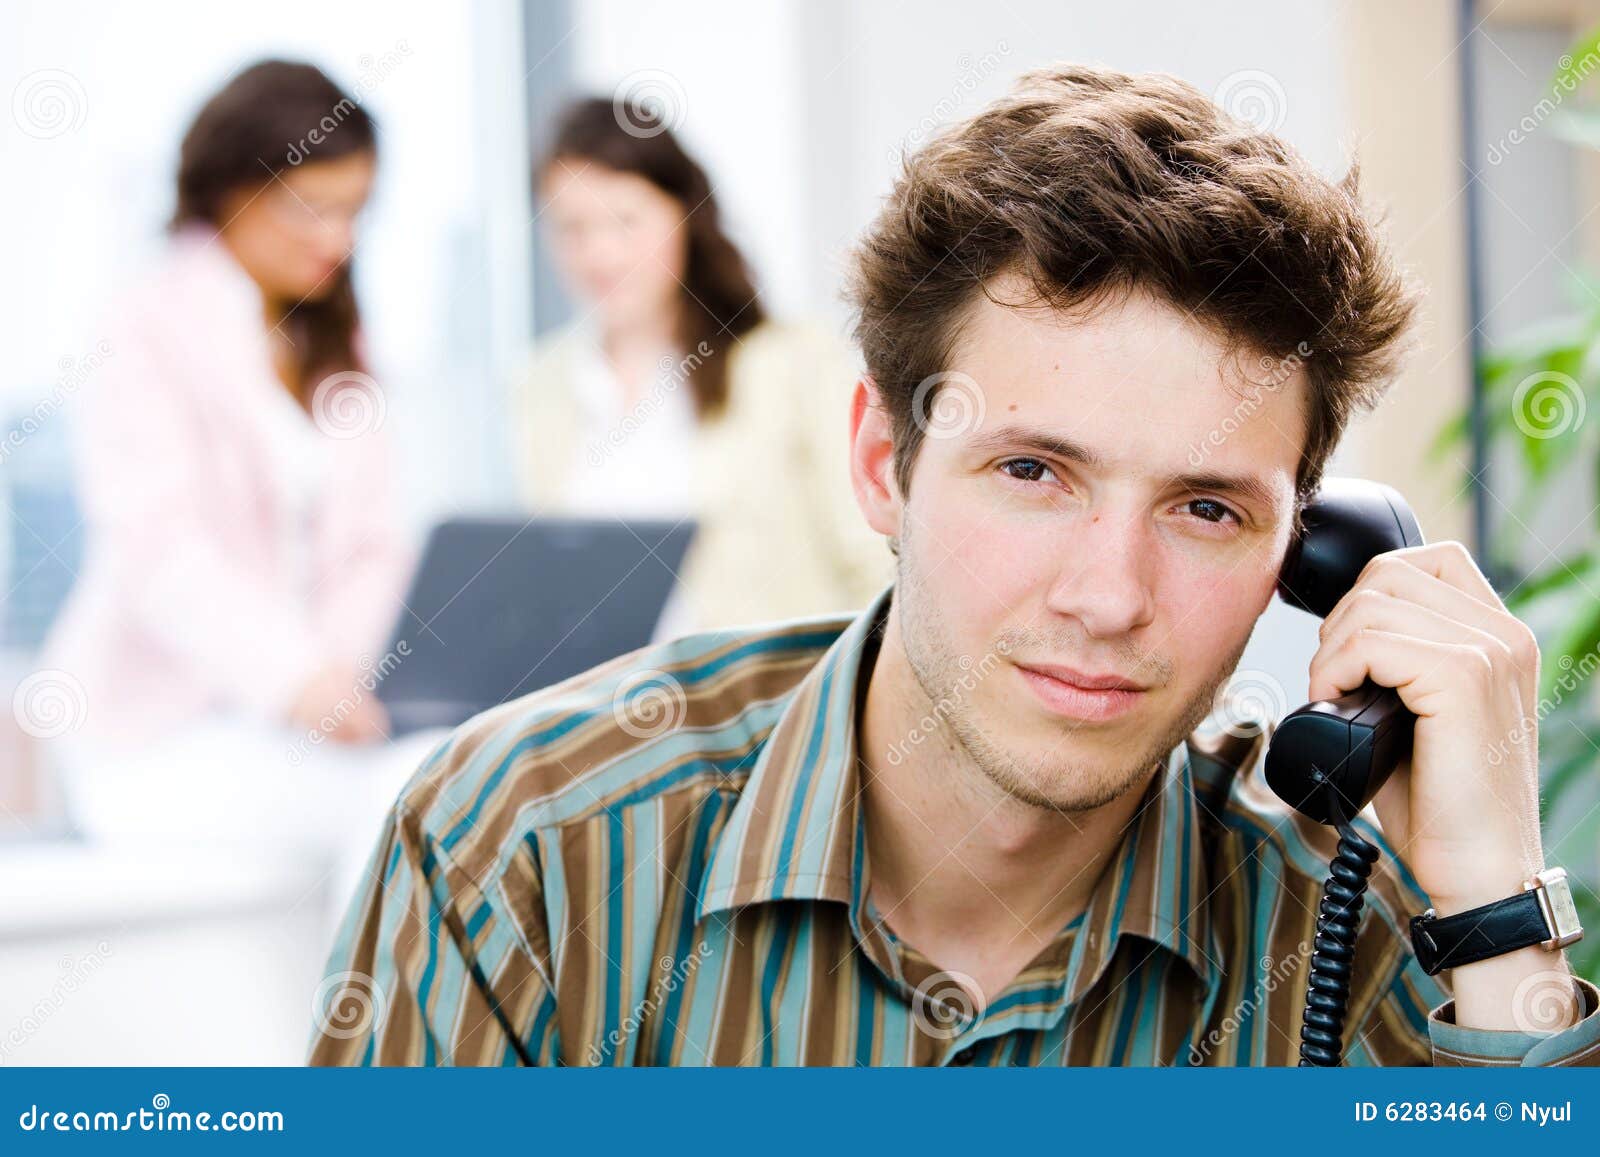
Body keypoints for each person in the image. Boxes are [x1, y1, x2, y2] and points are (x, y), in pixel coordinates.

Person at [310, 66, 1599, 1066]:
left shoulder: (1338, 925)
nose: (1107, 598)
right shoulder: (527, 850)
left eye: (1206, 508)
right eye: (1032, 473)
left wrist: (1492, 907)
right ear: (884, 463)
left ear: (1305, 550)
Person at [38, 61, 436, 927]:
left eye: (356, 211)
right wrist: (297, 680)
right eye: (312, 206)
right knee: (405, 801)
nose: (338, 239)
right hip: (156, 735)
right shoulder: (144, 323)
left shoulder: (340, 337)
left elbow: (373, 542)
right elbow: (159, 547)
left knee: (453, 766)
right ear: (231, 190)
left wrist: (341, 681)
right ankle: (376, 1055)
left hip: (304, 730)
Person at [510, 98, 889, 633]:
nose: (599, 255)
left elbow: (874, 560)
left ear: (685, 217)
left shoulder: (789, 364)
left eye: (625, 222)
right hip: (609, 707)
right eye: (572, 229)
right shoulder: (540, 384)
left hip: (771, 704)